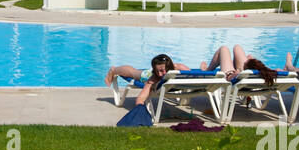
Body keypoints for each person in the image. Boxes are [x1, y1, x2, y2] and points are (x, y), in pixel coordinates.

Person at [104, 45, 272, 108]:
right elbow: (144, 93)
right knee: (134, 72)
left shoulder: (176, 68)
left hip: (230, 75)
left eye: (164, 71)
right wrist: (139, 104)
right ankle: (114, 70)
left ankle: (207, 69)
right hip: (146, 75)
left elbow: (190, 73)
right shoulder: (153, 77)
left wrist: (202, 74)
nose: (161, 74)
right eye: (160, 71)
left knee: (225, 49)